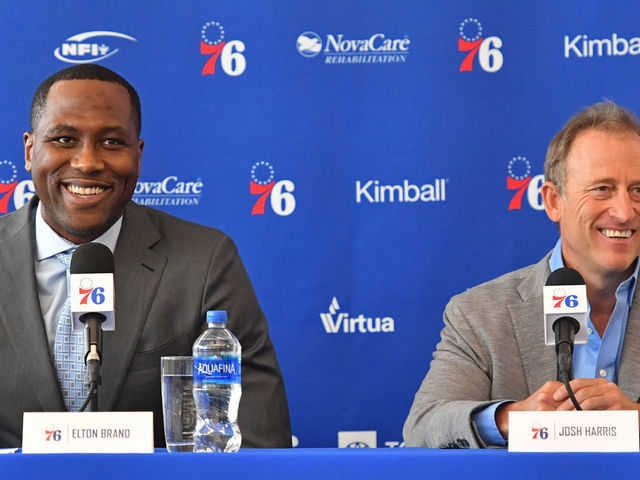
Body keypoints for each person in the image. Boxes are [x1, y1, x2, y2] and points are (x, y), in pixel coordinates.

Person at [0, 64, 291, 448]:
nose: (87, 162)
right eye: (65, 139)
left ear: (137, 155)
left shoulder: (205, 261)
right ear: (30, 150)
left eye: (111, 142)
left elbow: (257, 438)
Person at [404, 101, 640, 448]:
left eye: (638, 191)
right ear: (553, 201)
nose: (624, 211)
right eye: (602, 189)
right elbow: (423, 428)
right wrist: (511, 418)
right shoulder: (480, 315)